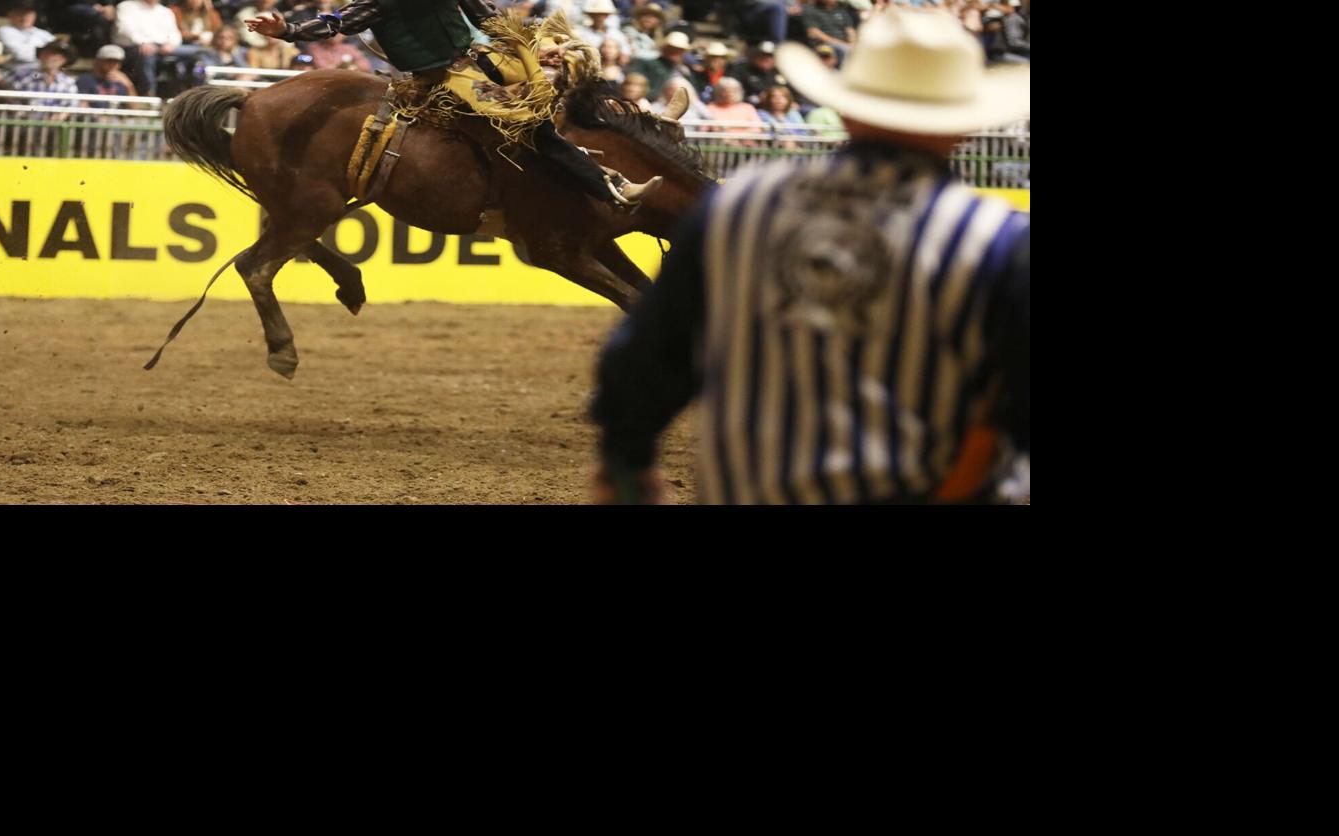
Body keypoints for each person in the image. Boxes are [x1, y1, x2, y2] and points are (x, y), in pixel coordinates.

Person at [588, 7, 1030, 504]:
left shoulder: (737, 209)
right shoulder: (998, 239)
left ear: (845, 108)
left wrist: (628, 460)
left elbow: (651, 355)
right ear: (963, 128)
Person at [246, 0, 660, 208]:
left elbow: (488, 18)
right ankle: (612, 187)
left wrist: (534, 48)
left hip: (479, 60)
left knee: (562, 80)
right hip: (444, 78)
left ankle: (615, 140)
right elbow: (339, 21)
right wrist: (289, 30)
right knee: (529, 125)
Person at [115, 0, 182, 96]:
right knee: (147, 55)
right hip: (135, 46)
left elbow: (175, 34)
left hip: (164, 48)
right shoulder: (127, 6)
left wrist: (171, 44)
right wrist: (143, 42)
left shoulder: (166, 11)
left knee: (199, 52)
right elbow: (125, 30)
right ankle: (150, 94)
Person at [0, 1, 54, 73]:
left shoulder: (44, 34)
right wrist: (47, 54)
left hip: (42, 73)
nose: (24, 17)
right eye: (20, 13)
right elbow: (21, 55)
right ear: (10, 15)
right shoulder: (4, 31)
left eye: (28, 14)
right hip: (16, 73)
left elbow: (60, 54)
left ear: (35, 15)